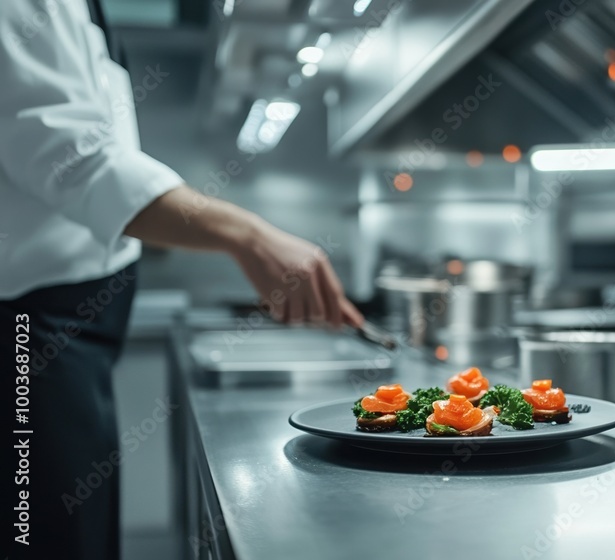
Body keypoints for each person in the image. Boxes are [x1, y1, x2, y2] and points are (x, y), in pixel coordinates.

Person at [1, 1, 363, 558]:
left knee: (76, 532)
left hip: (68, 330)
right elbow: (78, 162)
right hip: (29, 329)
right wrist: (248, 234)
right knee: (47, 537)